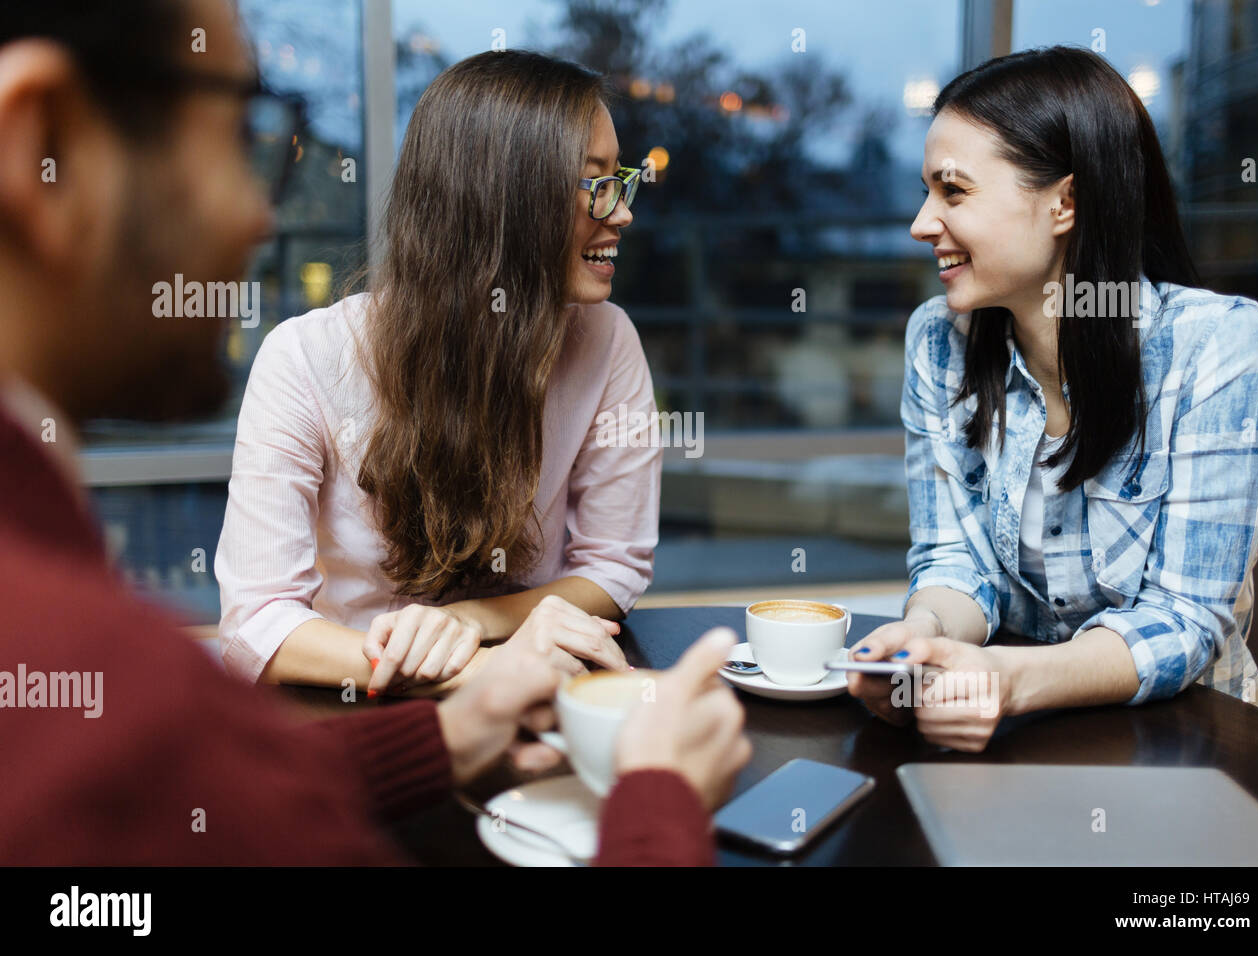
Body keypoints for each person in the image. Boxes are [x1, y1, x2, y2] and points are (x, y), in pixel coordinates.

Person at [0, 0, 748, 865]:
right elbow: (257, 628)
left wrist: (454, 711)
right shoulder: (109, 681)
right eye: (239, 132)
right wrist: (658, 797)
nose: (262, 216)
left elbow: (613, 566)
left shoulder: (96, 675)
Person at [847, 47, 1258, 751]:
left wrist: (1006, 677)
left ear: (1066, 203)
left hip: (1189, 747)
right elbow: (953, 563)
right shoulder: (939, 339)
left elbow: (1183, 618)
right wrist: (921, 643)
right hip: (1015, 726)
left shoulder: (1218, 347)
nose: (922, 222)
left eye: (953, 191)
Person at [215, 49, 661, 695]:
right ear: (503, 200)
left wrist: (466, 622)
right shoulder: (303, 358)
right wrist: (474, 670)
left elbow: (614, 567)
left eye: (618, 180)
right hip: (356, 704)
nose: (621, 212)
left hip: (533, 691)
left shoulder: (608, 339)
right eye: (594, 183)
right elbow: (255, 624)